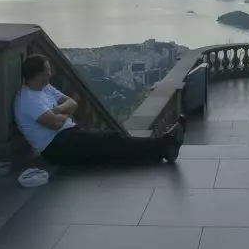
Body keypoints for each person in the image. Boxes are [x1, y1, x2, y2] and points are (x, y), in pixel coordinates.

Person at [14, 54, 185, 166]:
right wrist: (64, 114)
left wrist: (57, 110)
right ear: (39, 74)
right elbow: (56, 123)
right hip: (56, 147)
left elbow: (73, 103)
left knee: (110, 145)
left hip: (68, 135)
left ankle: (161, 150)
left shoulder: (45, 88)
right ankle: (165, 144)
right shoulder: (28, 100)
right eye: (47, 70)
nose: (50, 73)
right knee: (111, 141)